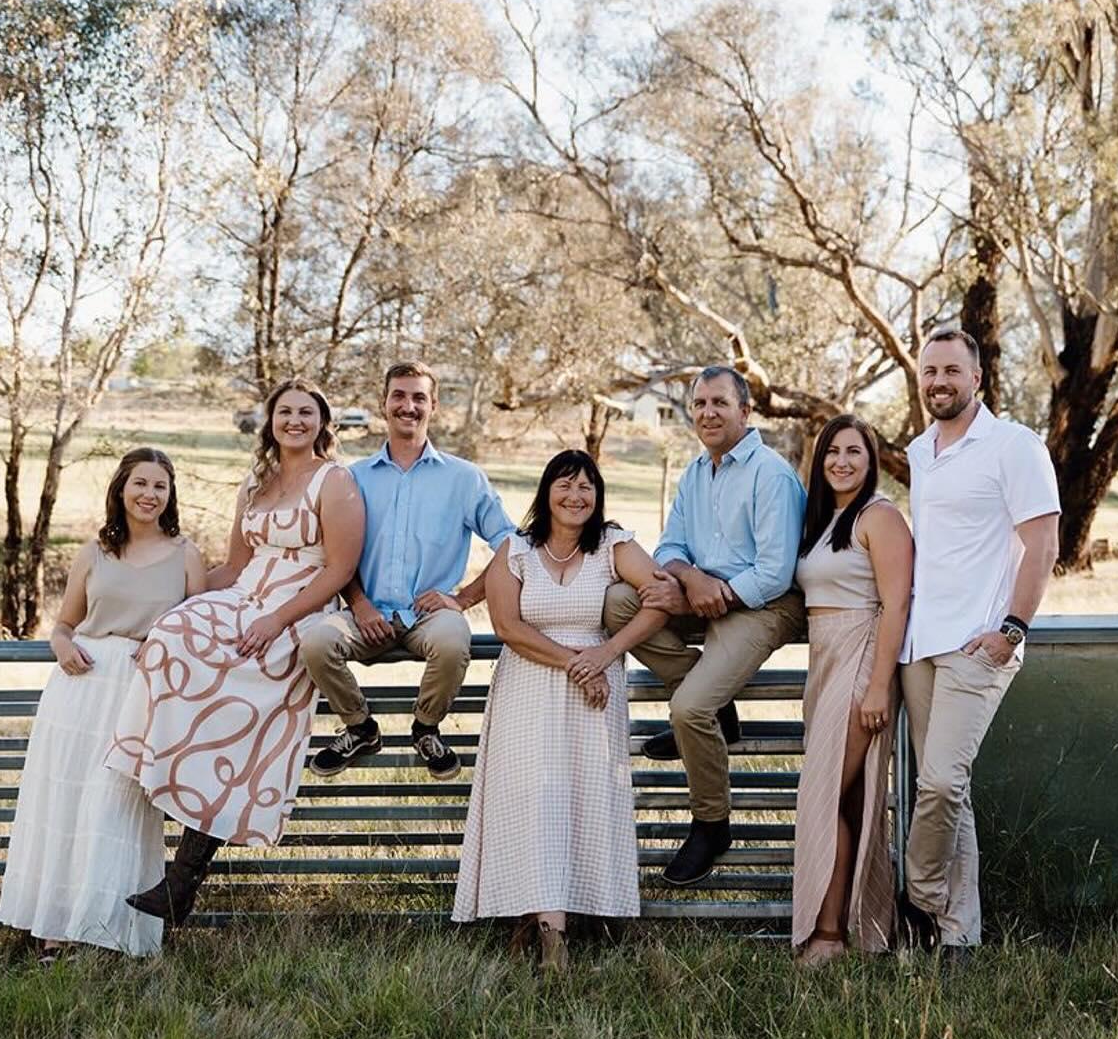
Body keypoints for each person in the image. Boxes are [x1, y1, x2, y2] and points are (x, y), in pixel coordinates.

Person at [111, 379, 364, 926]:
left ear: (323, 422)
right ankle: (157, 783)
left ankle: (184, 877)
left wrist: (278, 618)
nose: (294, 420)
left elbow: (340, 570)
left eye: (305, 412)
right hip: (242, 599)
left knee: (243, 699)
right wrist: (163, 606)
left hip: (297, 610)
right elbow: (229, 568)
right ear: (270, 421)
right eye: (284, 412)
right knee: (171, 638)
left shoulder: (335, 481)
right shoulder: (256, 481)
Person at [451, 450, 667, 970]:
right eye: (565, 485)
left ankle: (582, 914)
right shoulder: (516, 550)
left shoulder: (613, 544)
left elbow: (661, 596)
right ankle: (547, 934)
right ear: (546, 492)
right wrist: (578, 664)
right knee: (531, 801)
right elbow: (508, 627)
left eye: (587, 487)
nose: (576, 496)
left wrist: (606, 656)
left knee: (586, 800)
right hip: (528, 686)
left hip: (595, 692)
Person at [0, 448, 205, 961]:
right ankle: (53, 932)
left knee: (119, 806)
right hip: (82, 688)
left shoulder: (186, 554)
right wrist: (63, 645)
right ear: (120, 489)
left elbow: (200, 631)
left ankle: (111, 931)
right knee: (68, 806)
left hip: (144, 692)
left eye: (160, 486)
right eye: (140, 484)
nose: (149, 495)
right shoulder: (94, 552)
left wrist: (166, 654)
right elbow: (64, 624)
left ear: (170, 494)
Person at [603, 365, 806, 886]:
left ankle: (712, 824)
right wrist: (690, 579)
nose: (708, 413)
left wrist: (718, 593)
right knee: (620, 601)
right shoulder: (698, 472)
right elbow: (670, 546)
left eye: (720, 403)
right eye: (699, 404)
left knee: (689, 707)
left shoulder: (771, 473)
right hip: (707, 594)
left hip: (765, 604)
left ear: (745, 410)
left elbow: (775, 571)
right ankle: (721, 709)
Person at [898, 329, 1061, 960]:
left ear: (977, 380)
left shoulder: (1014, 446)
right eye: (929, 371)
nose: (938, 381)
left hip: (978, 645)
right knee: (949, 792)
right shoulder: (920, 451)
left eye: (951, 372)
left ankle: (918, 896)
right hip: (920, 645)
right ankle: (959, 934)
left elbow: (1043, 544)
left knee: (940, 782)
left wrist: (1012, 629)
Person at [300, 361, 513, 783]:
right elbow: (335, 552)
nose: (408, 406)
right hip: (367, 612)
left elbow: (511, 543)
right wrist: (358, 604)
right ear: (384, 404)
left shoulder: (464, 478)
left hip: (429, 614)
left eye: (418, 397)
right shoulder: (351, 477)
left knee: (454, 640)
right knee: (317, 642)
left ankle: (426, 728)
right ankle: (360, 728)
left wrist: (465, 598)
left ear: (433, 405)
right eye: (399, 395)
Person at [791, 416, 912, 966]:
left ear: (871, 460)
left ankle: (830, 934)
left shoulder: (880, 516)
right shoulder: (823, 519)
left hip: (862, 658)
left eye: (853, 452)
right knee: (846, 798)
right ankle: (864, 930)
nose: (841, 461)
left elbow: (896, 605)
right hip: (825, 659)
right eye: (832, 452)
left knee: (824, 797)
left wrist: (880, 686)